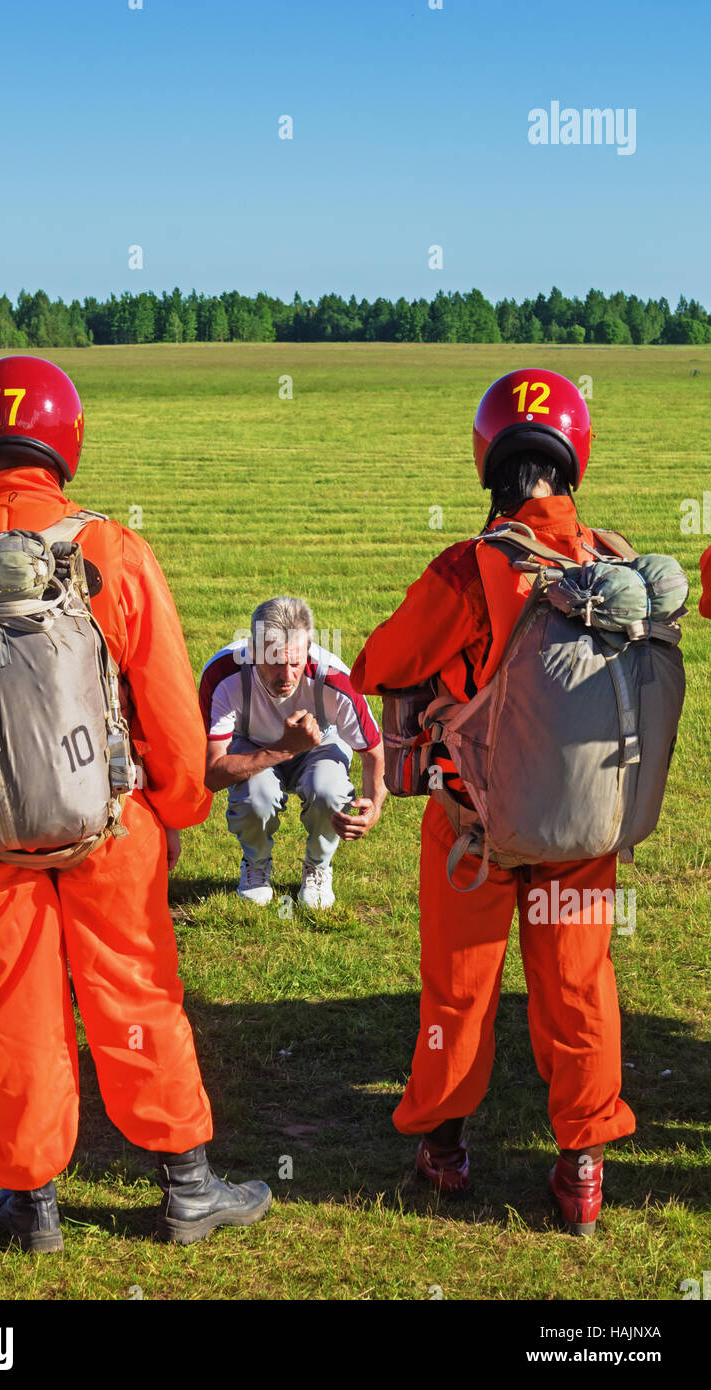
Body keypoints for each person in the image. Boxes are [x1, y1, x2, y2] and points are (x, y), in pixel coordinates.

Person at [0, 355, 271, 1250]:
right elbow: (165, 701)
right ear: (65, 438)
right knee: (136, 988)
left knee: (9, 1005)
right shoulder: (109, 549)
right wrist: (175, 810)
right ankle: (186, 1187)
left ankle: (29, 1199)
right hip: (108, 822)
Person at [351, 369, 637, 1237]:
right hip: (580, 827)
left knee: (459, 992)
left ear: (488, 458)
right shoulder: (615, 563)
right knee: (579, 989)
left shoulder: (467, 569)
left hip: (472, 826)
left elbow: (379, 665)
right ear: (572, 455)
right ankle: (581, 1170)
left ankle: (443, 1150)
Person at [199, 596, 386, 908]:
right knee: (255, 796)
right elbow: (210, 774)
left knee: (330, 791)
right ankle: (255, 866)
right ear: (253, 651)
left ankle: (318, 865)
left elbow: (374, 752)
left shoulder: (335, 678)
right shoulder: (223, 674)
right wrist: (285, 748)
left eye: (295, 662)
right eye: (275, 663)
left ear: (308, 649)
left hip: (320, 743)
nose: (286, 677)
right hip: (253, 743)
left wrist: (374, 809)